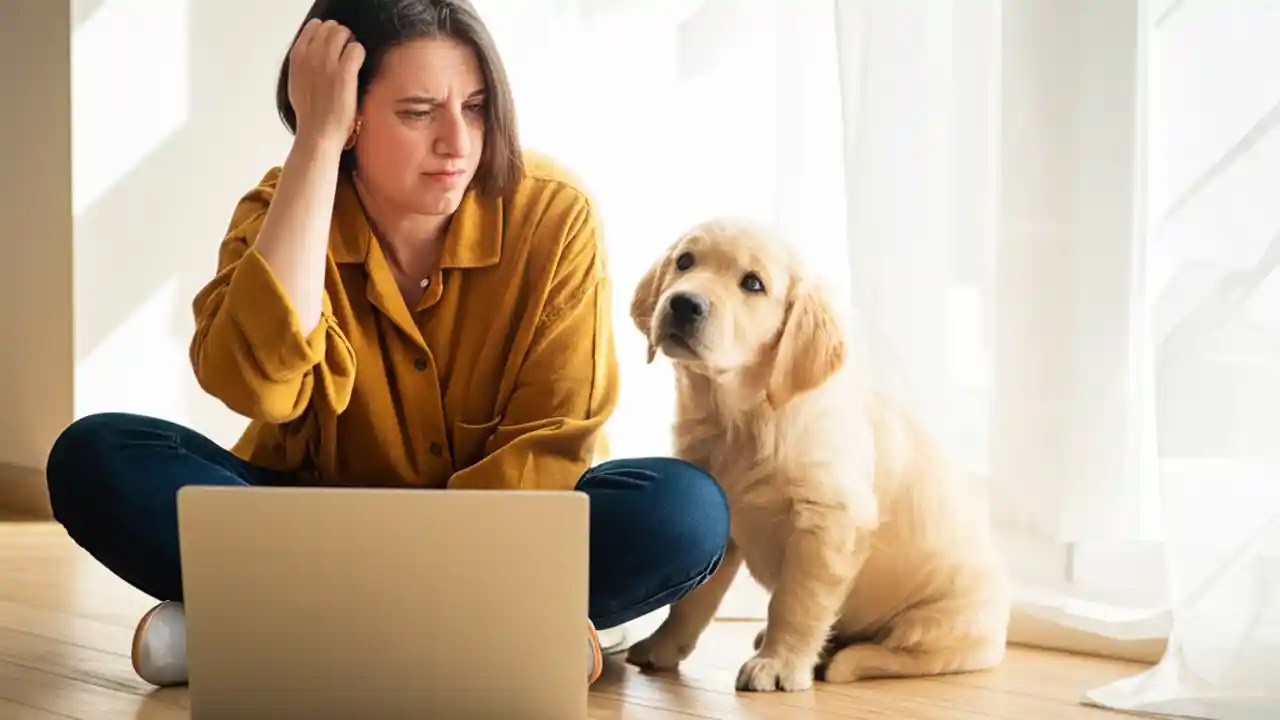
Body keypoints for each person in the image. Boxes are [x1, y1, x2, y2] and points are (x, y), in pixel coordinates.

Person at [44, 0, 728, 688]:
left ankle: (253, 629)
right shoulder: (281, 209)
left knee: (684, 512)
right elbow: (257, 388)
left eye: (476, 107)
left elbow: (551, 439)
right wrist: (314, 146)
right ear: (349, 116)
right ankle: (495, 634)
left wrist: (428, 559)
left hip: (499, 536)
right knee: (95, 455)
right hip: (317, 521)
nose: (458, 143)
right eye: (418, 112)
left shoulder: (555, 214)